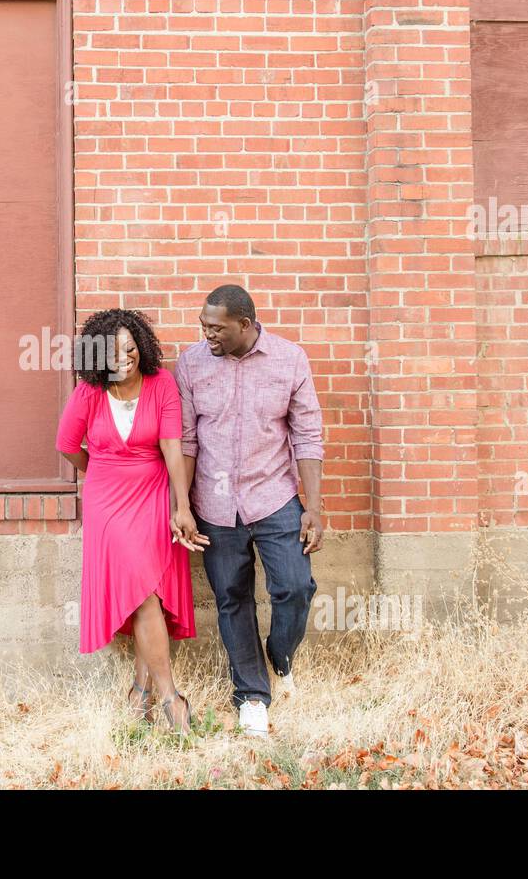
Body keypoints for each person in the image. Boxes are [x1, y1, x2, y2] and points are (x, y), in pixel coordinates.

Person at [174, 285, 325, 739]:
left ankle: (279, 655)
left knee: (296, 587)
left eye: (215, 328)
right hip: (215, 506)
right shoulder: (191, 363)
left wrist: (312, 507)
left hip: (274, 497)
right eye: (203, 326)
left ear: (245, 324)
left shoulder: (290, 359)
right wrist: (181, 505)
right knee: (232, 600)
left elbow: (307, 436)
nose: (206, 335)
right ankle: (252, 696)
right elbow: (185, 440)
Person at [55, 308, 208, 733]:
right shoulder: (89, 392)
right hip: (108, 502)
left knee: (150, 594)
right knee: (140, 593)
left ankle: (139, 692)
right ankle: (172, 699)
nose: (125, 358)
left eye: (131, 348)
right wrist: (104, 467)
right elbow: (67, 444)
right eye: (114, 351)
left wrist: (182, 505)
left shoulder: (161, 384)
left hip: (154, 496)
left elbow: (173, 446)